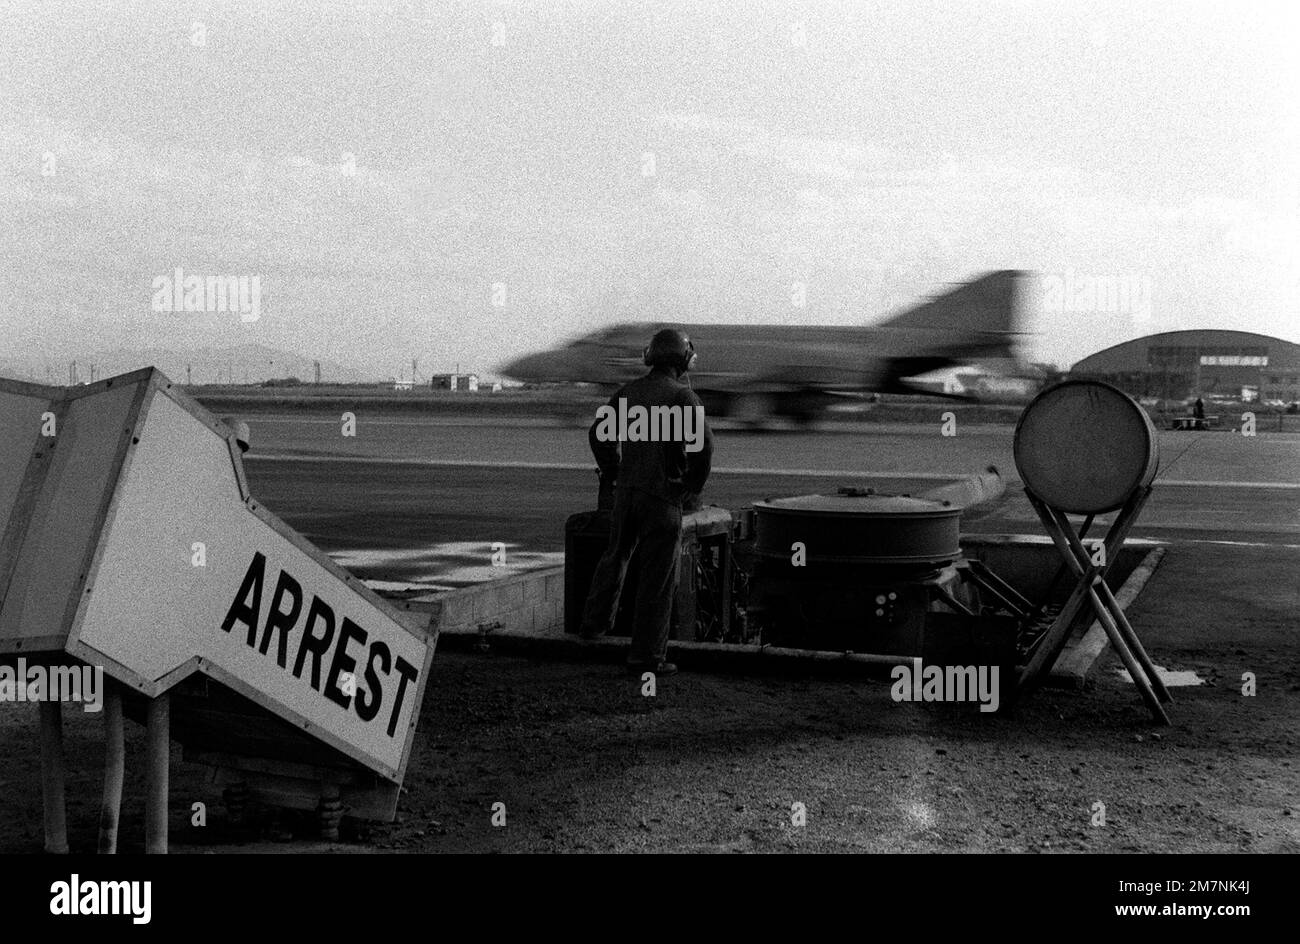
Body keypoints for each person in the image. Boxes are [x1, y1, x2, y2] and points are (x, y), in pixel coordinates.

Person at [579, 328, 714, 675]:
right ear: (683, 359)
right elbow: (704, 449)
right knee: (657, 579)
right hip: (662, 500)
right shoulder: (683, 397)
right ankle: (646, 658)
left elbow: (598, 434)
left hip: (626, 495)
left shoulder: (628, 392)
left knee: (616, 556)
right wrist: (689, 486)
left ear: (650, 356)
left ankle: (593, 627)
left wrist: (614, 472)